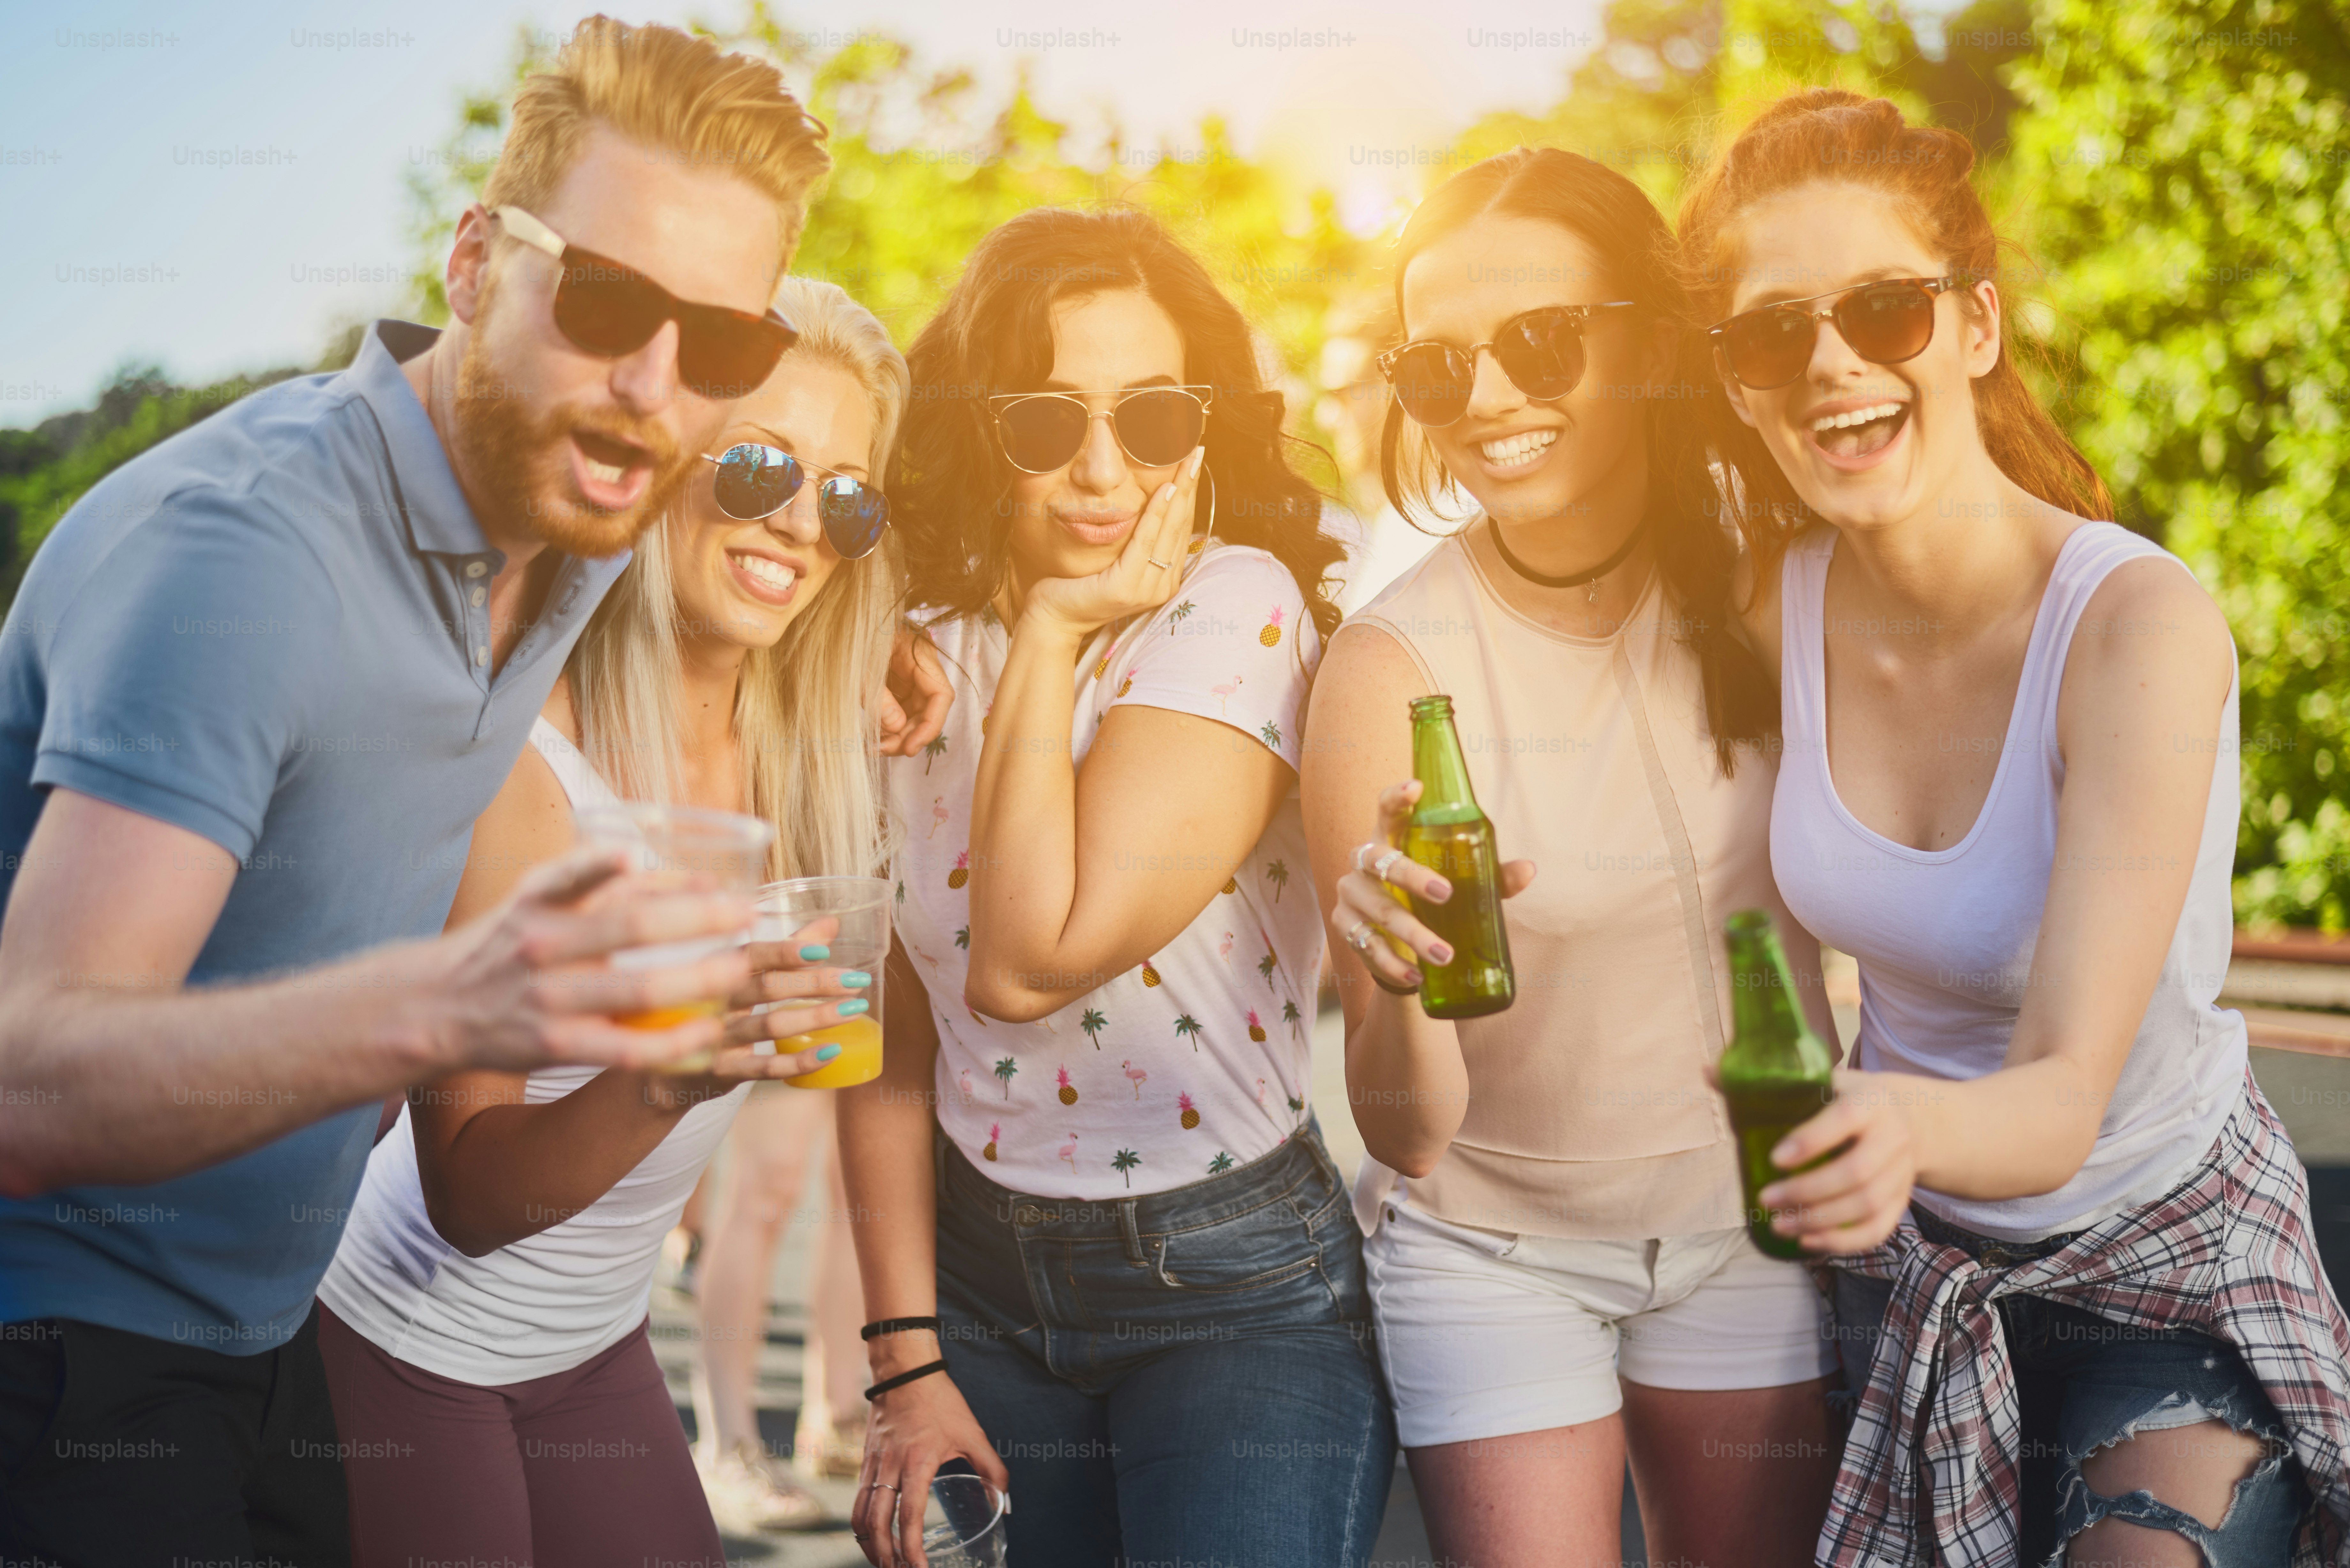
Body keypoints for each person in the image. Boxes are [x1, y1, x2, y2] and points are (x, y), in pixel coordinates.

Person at [0, 19, 874, 1562]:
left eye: (719, 348)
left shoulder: (562, 523)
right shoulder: (249, 565)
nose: (653, 390)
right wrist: (447, 1005)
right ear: (474, 260)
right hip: (67, 1339)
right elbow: (29, 1085)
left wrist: (902, 657)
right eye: (604, 299)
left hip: (275, 1323)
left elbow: (764, 568)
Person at [1679, 89, 2350, 1566]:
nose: (1831, 360)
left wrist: (1891, 1121)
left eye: (1880, 308)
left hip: (2160, 1263)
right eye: (1771, 332)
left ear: (1972, 326)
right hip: (1905, 1265)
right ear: (1735, 384)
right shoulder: (1763, 603)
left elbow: (2054, 1103)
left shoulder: (2131, 627)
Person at [1300, 147, 1844, 1568]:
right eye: (1436, 368)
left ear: (1654, 348)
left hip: (1751, 1225)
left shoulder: (1776, 580)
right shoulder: (1389, 668)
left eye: (1539, 342)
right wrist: (1392, 974)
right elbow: (1406, 1131)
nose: (1485, 400)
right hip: (1492, 1251)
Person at [313, 277, 905, 1563]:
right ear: (672, 461)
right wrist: (675, 1068)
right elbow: (469, 1194)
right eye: (758, 468)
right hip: (413, 1342)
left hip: (595, 1340)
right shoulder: (524, 765)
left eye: (845, 497)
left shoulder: (815, 748)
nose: (801, 525)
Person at [839, 206, 1394, 1568]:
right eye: (1045, 423)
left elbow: (1030, 959)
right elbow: (893, 1038)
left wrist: (1045, 637)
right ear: (981, 427)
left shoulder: (1238, 606)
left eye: (1149, 419)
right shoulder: (893, 647)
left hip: (1235, 1286)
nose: (1102, 472)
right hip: (974, 1281)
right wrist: (903, 1363)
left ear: (1202, 428)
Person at [688, 1086, 870, 1530]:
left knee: (864, 1187)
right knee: (770, 1179)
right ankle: (726, 1445)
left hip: (890, 1013)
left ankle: (838, 1417)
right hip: (784, 1015)